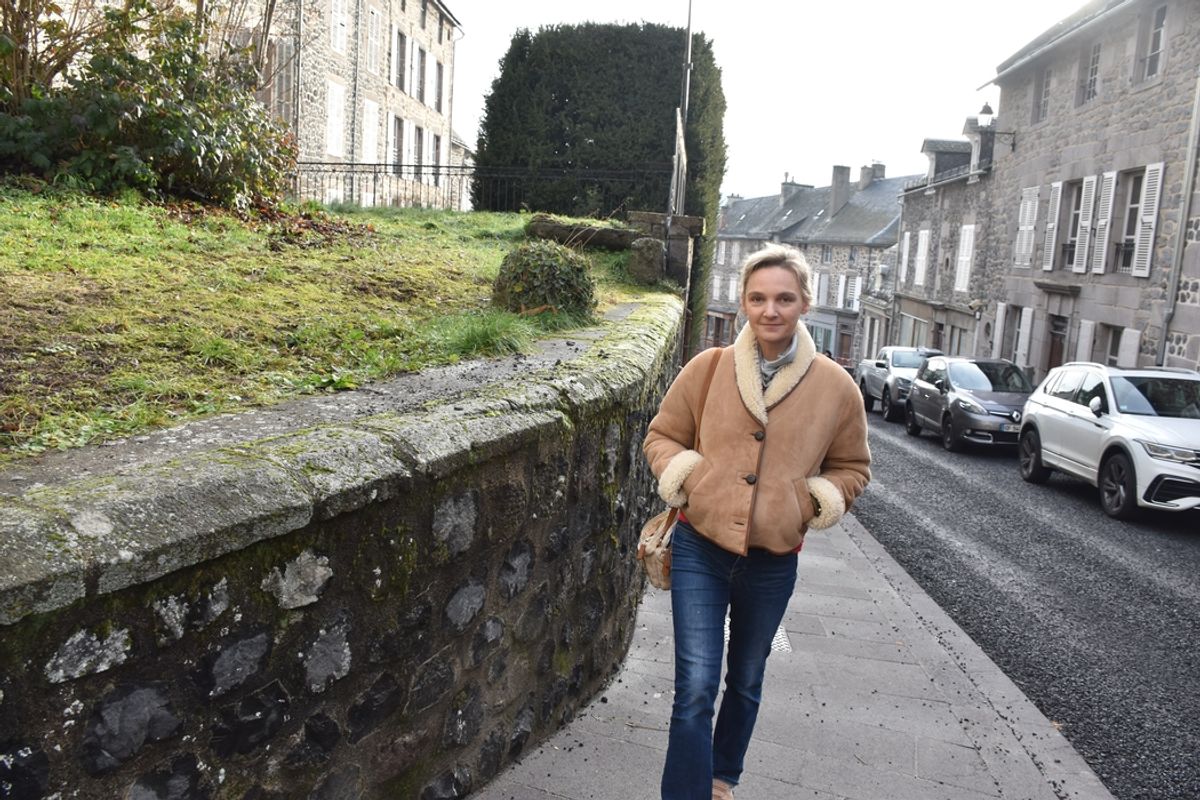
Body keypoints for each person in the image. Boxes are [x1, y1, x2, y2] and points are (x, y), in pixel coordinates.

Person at [643, 244, 871, 800]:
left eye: (784, 299)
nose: (771, 310)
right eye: (759, 298)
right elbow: (661, 435)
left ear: (805, 304)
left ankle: (723, 776)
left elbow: (852, 468)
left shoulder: (836, 388)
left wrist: (813, 499)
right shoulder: (709, 368)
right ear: (743, 302)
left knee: (744, 679)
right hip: (701, 545)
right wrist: (688, 475)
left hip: (773, 560)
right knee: (694, 685)